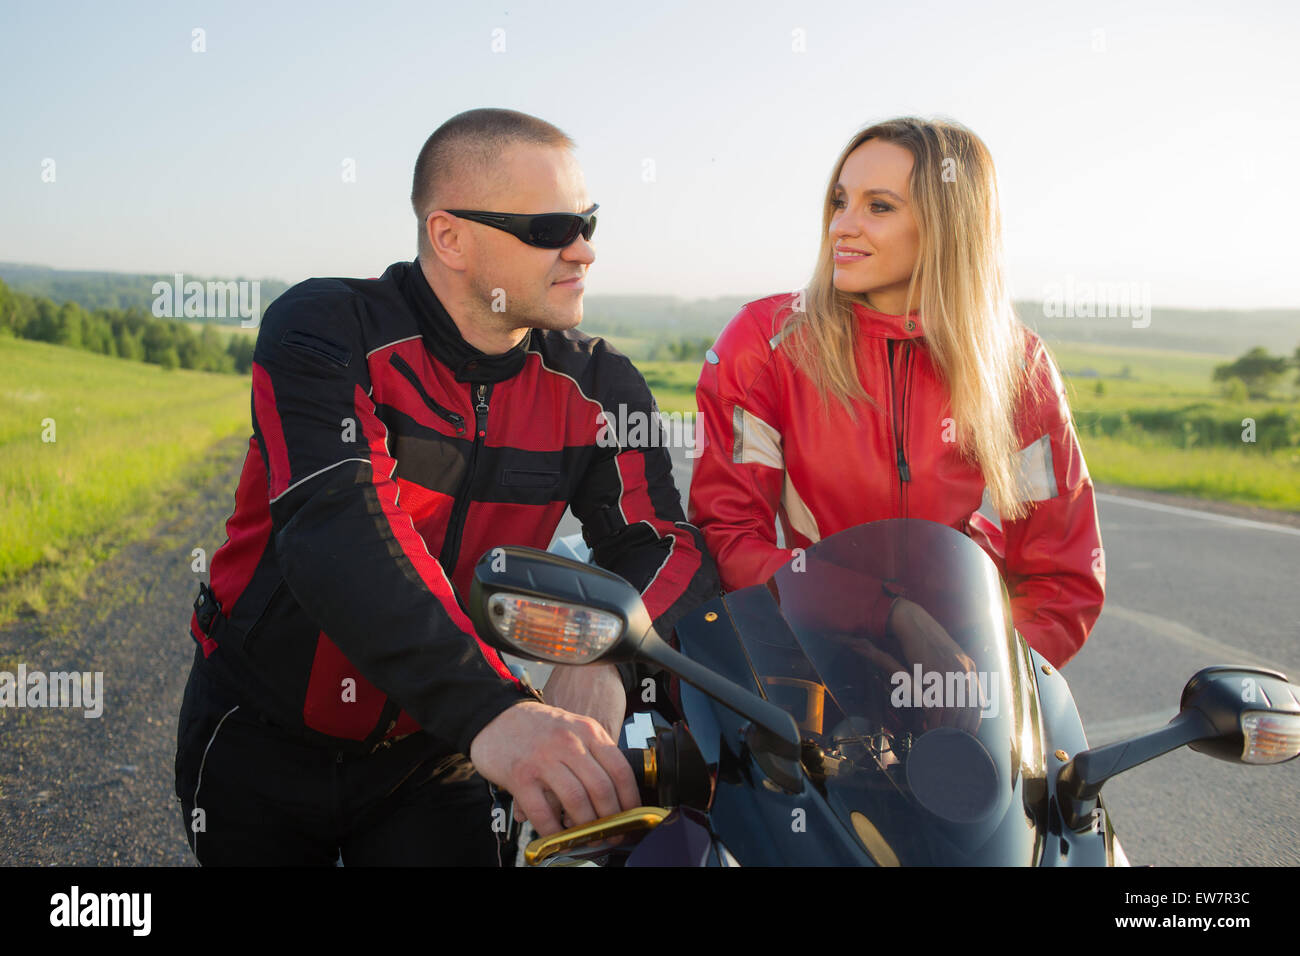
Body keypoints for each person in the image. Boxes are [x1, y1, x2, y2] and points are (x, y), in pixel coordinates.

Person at [175, 108, 718, 866]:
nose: (584, 249)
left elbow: (665, 546)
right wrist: (499, 709)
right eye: (552, 227)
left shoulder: (600, 386)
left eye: (588, 220)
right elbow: (341, 530)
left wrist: (600, 647)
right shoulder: (324, 330)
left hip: (436, 752)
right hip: (263, 728)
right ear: (450, 237)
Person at [687, 116, 1104, 669]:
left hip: (964, 671)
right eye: (840, 201)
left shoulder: (1015, 365)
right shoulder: (764, 343)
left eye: (878, 206)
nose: (841, 226)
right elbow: (731, 539)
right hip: (809, 656)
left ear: (949, 225)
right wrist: (885, 616)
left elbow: (1061, 577)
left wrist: (987, 675)